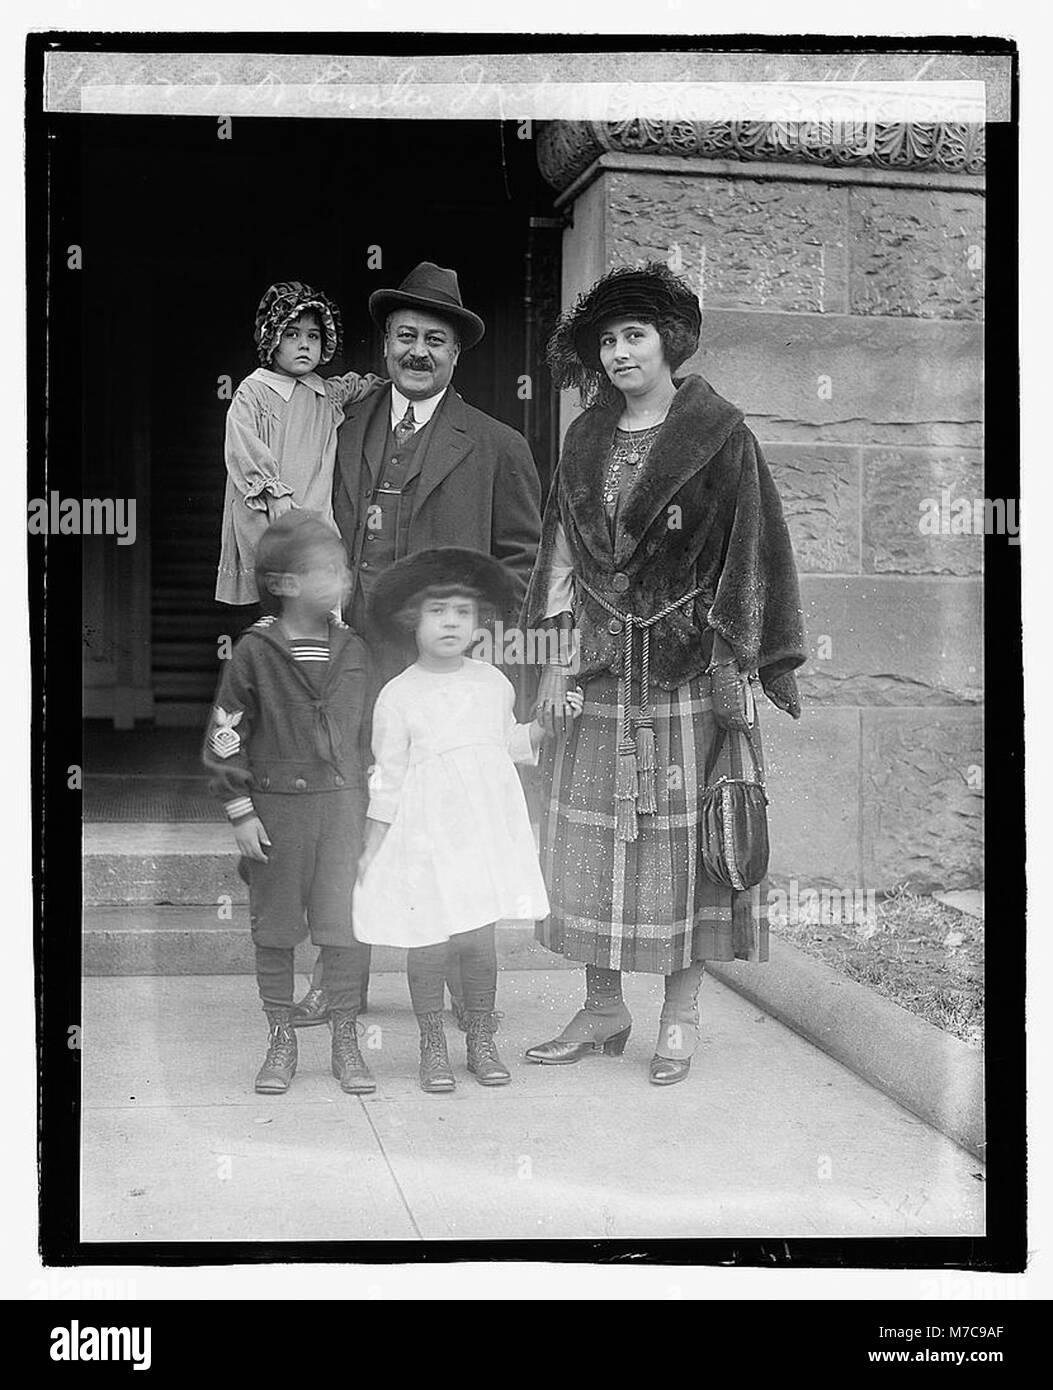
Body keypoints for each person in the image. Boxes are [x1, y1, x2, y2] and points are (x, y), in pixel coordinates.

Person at [520, 261, 806, 1086]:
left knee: (689, 854)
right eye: (606, 340)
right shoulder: (582, 439)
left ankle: (677, 1021)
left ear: (669, 342)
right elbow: (558, 562)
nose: (618, 354)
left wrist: (738, 665)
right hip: (598, 668)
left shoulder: (722, 437)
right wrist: (550, 664)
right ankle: (602, 1008)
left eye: (633, 335)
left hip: (688, 674)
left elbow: (751, 557)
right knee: (585, 847)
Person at [293, 262, 543, 1030]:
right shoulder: (340, 429)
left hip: (446, 671)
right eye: (406, 337)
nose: (419, 352)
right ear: (386, 344)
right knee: (347, 819)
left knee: (453, 825)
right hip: (353, 662)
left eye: (435, 340)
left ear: (455, 355)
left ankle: (469, 1001)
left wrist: (475, 660)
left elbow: (520, 565)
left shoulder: (497, 444)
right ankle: (340, 981)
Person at [352, 547, 581, 1094]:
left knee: (479, 941)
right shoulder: (398, 696)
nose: (450, 622)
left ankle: (480, 1040)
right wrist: (372, 846)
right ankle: (433, 1044)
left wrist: (546, 729)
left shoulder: (493, 683)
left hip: (480, 837)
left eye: (461, 611)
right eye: (437, 611)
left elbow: (508, 745)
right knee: (428, 941)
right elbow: (387, 777)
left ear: (478, 622)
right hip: (425, 841)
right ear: (413, 620)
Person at [202, 512, 375, 1097]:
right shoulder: (255, 651)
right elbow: (227, 733)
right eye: (325, 570)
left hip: (343, 811)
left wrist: (373, 812)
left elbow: (368, 736)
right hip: (277, 813)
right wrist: (241, 810)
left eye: (342, 568)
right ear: (284, 583)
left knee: (343, 927)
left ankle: (345, 1038)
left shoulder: (353, 649)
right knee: (275, 930)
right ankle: (281, 1038)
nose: (341, 578)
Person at [215, 280, 384, 605]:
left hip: (316, 517)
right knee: (283, 598)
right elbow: (243, 447)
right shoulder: (254, 392)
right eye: (292, 335)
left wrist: (408, 391)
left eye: (313, 336)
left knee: (325, 601)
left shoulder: (327, 394)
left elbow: (364, 387)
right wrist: (272, 490)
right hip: (272, 514)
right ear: (273, 340)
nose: (304, 344)